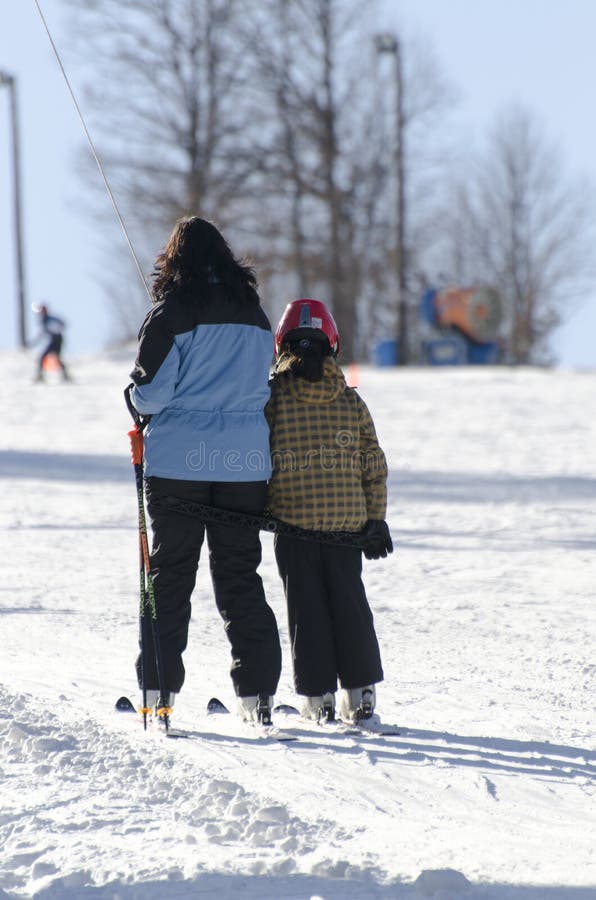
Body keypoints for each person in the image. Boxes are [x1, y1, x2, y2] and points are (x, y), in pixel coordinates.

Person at [129, 216, 281, 724]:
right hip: (242, 465)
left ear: (174, 260)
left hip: (178, 464)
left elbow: (152, 395)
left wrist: (132, 394)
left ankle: (159, 691)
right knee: (240, 574)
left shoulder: (169, 313)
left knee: (169, 577)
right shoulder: (255, 316)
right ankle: (257, 695)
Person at [265, 299, 393, 724]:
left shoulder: (272, 399)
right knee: (349, 604)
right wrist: (376, 519)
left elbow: (253, 458)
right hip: (346, 526)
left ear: (282, 345)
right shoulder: (351, 402)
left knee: (306, 610)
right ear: (332, 345)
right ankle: (361, 694)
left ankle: (317, 698)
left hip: (294, 523)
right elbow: (372, 463)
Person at [32, 303, 70, 382]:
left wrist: (57, 330)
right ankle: (40, 375)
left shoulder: (50, 319)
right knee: (44, 357)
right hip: (53, 340)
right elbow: (42, 333)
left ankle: (65, 376)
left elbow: (62, 324)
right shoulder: (44, 321)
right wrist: (34, 343)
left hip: (57, 340)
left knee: (56, 358)